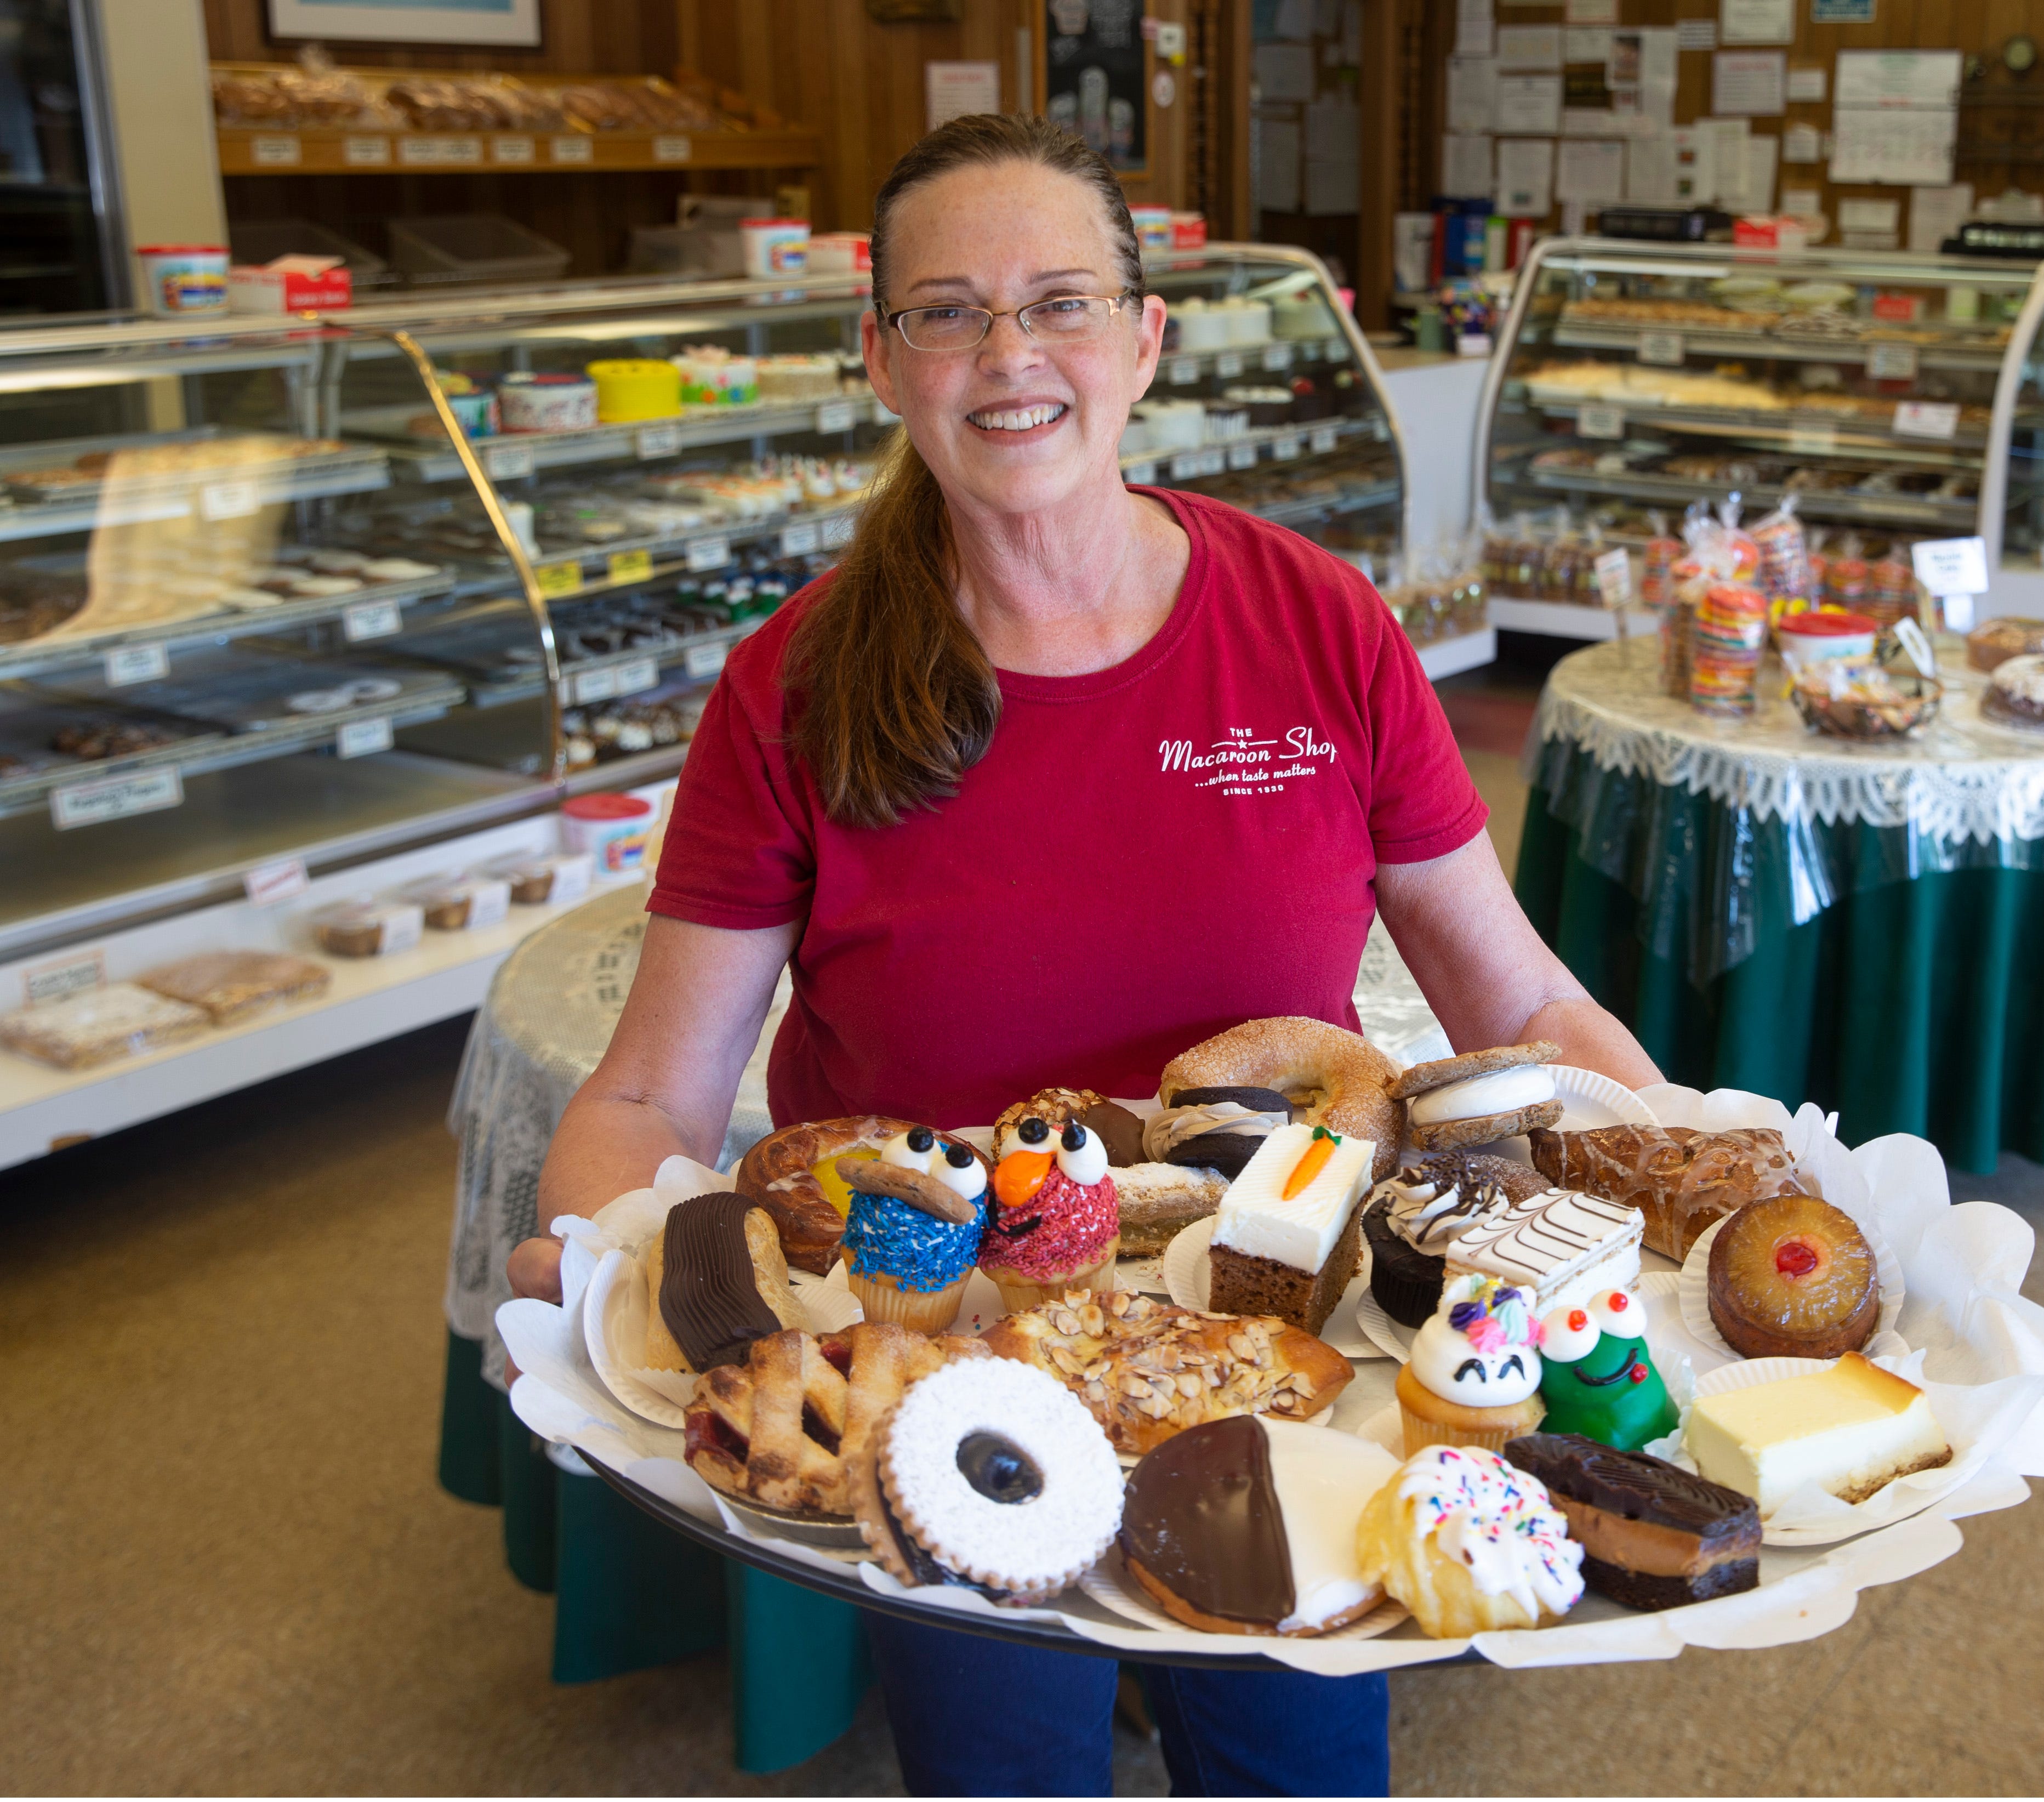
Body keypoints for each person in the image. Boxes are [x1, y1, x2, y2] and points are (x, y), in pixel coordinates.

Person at [507, 113, 1661, 1795]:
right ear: (881, 360)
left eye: (1057, 302)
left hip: (1286, 1361)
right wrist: (582, 1259)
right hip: (953, 1363)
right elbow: (653, 1089)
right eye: (948, 312)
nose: (1008, 355)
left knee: (1296, 1757)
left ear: (1143, 339)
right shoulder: (798, 689)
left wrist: (1700, 1163)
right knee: (1005, 1769)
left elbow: (1526, 1002)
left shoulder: (1317, 624)